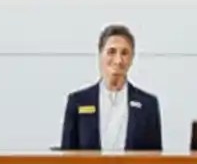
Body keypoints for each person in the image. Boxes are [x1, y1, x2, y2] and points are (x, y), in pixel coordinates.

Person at [60, 24, 162, 152]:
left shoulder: (148, 105)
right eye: (111, 52)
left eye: (124, 53)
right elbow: (67, 159)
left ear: (132, 59)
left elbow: (155, 161)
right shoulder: (78, 102)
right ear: (100, 54)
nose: (118, 60)